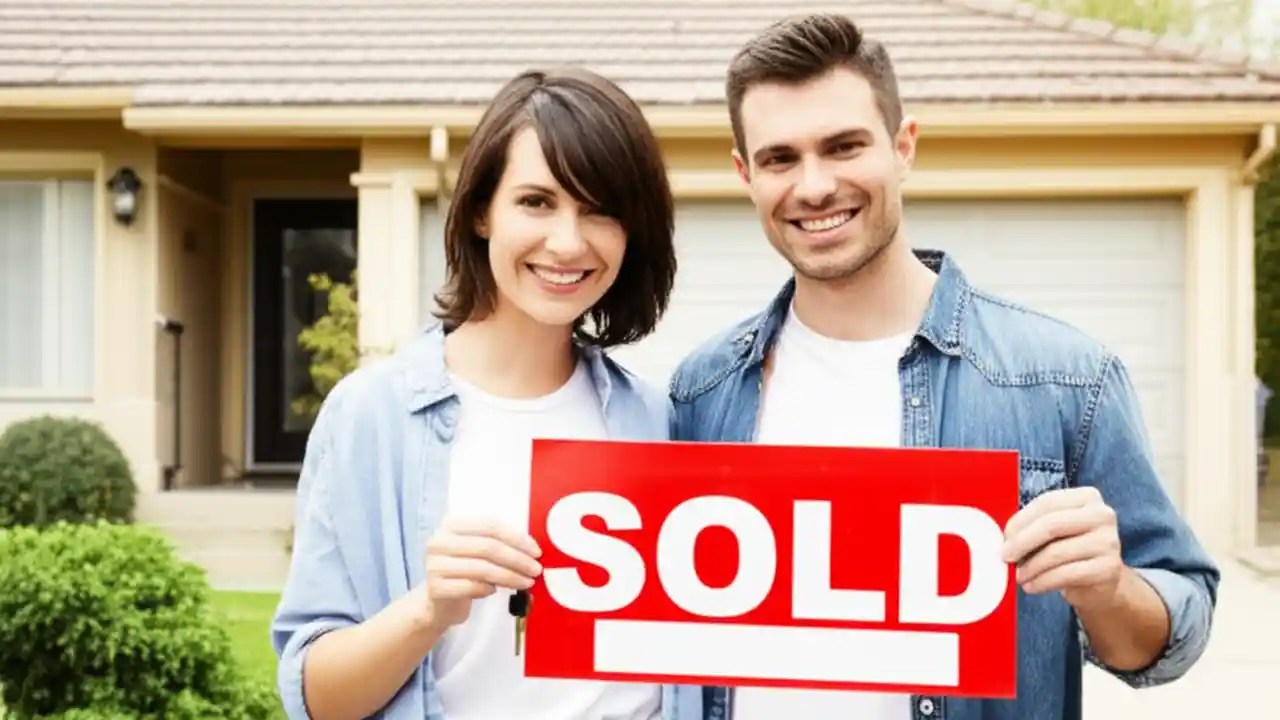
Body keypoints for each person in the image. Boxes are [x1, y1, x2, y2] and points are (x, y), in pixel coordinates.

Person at [667, 13, 1220, 720]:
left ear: (903, 148)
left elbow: (1181, 623)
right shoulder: (701, 390)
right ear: (746, 174)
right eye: (781, 159)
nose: (813, 187)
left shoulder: (1065, 380)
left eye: (844, 147)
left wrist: (1108, 590)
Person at [271, 67, 705, 720]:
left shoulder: (657, 421)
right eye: (537, 201)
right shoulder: (371, 418)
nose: (567, 242)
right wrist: (428, 610)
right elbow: (317, 700)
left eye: (601, 210)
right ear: (481, 212)